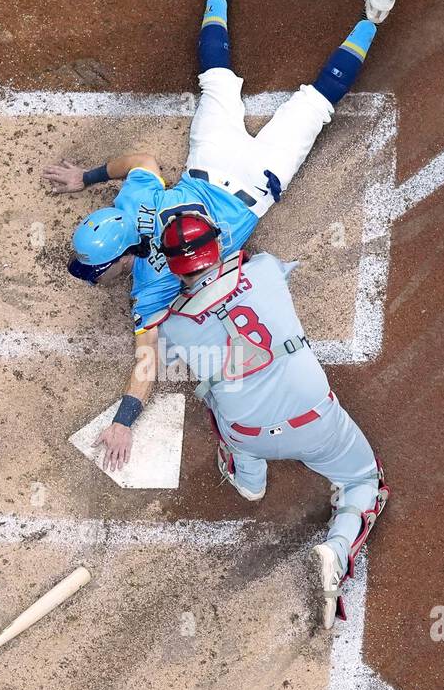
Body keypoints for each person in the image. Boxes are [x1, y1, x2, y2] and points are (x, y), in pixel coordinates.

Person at [42, 0, 401, 471]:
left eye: (102, 270)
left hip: (258, 183)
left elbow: (147, 360)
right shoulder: (131, 202)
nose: (101, 279)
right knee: (215, 81)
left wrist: (124, 420)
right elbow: (140, 162)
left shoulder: (151, 285)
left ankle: (371, 18)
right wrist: (88, 178)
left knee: (316, 104)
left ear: (122, 256)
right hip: (209, 161)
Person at [142, 219, 390, 629]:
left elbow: (166, 355)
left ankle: (249, 481)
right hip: (316, 420)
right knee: (364, 479)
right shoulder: (263, 267)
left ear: (172, 267)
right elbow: (254, 278)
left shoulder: (171, 326)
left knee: (214, 396)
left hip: (251, 436)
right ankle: (338, 548)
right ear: (218, 244)